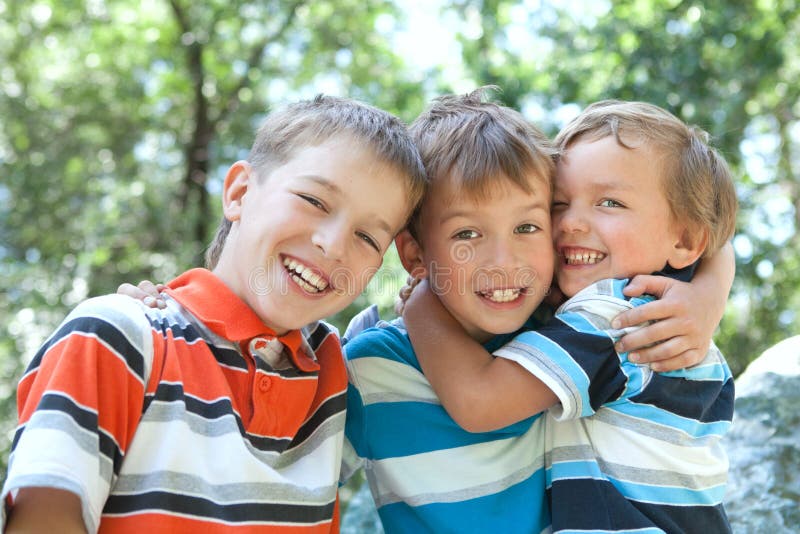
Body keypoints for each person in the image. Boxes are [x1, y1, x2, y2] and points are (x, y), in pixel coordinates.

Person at [117, 90, 733, 533]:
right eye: (466, 235)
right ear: (413, 252)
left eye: (529, 224)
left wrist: (706, 293)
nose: (504, 260)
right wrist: (175, 324)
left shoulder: (582, 319)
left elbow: (702, 230)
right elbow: (257, 443)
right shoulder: (366, 365)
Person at [1, 95, 428, 533]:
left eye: (367, 237)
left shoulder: (340, 376)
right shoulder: (119, 336)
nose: (334, 244)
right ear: (239, 193)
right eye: (314, 200)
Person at [340, 91, 734, 533]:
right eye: (560, 206)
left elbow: (480, 402)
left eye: (528, 226)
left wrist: (423, 299)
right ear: (414, 250)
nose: (570, 224)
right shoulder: (577, 316)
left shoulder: (617, 318)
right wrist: (709, 290)